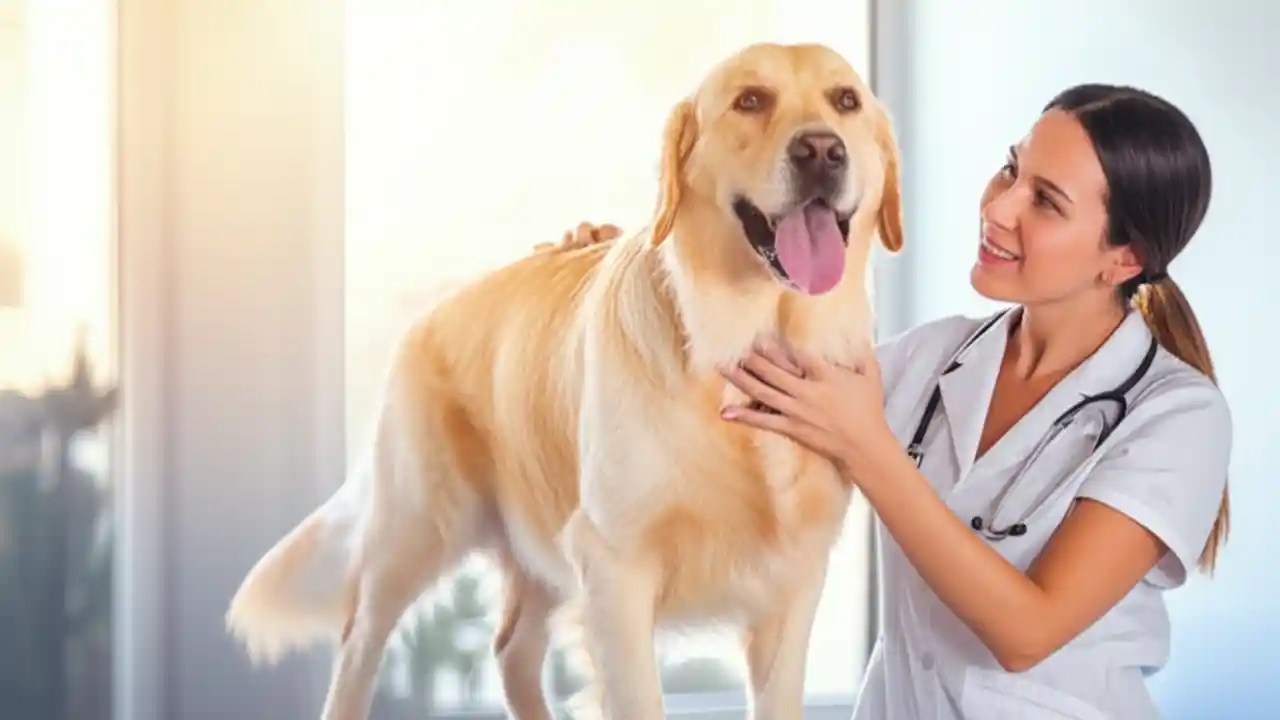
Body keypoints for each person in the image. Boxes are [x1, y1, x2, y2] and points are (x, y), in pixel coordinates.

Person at [549, 83, 1232, 719]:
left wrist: (868, 448)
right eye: (1009, 170)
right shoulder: (934, 360)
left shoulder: (1177, 417)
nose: (998, 207)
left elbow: (1028, 631)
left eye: (1045, 201)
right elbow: (740, 379)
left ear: (1124, 258)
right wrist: (629, 278)